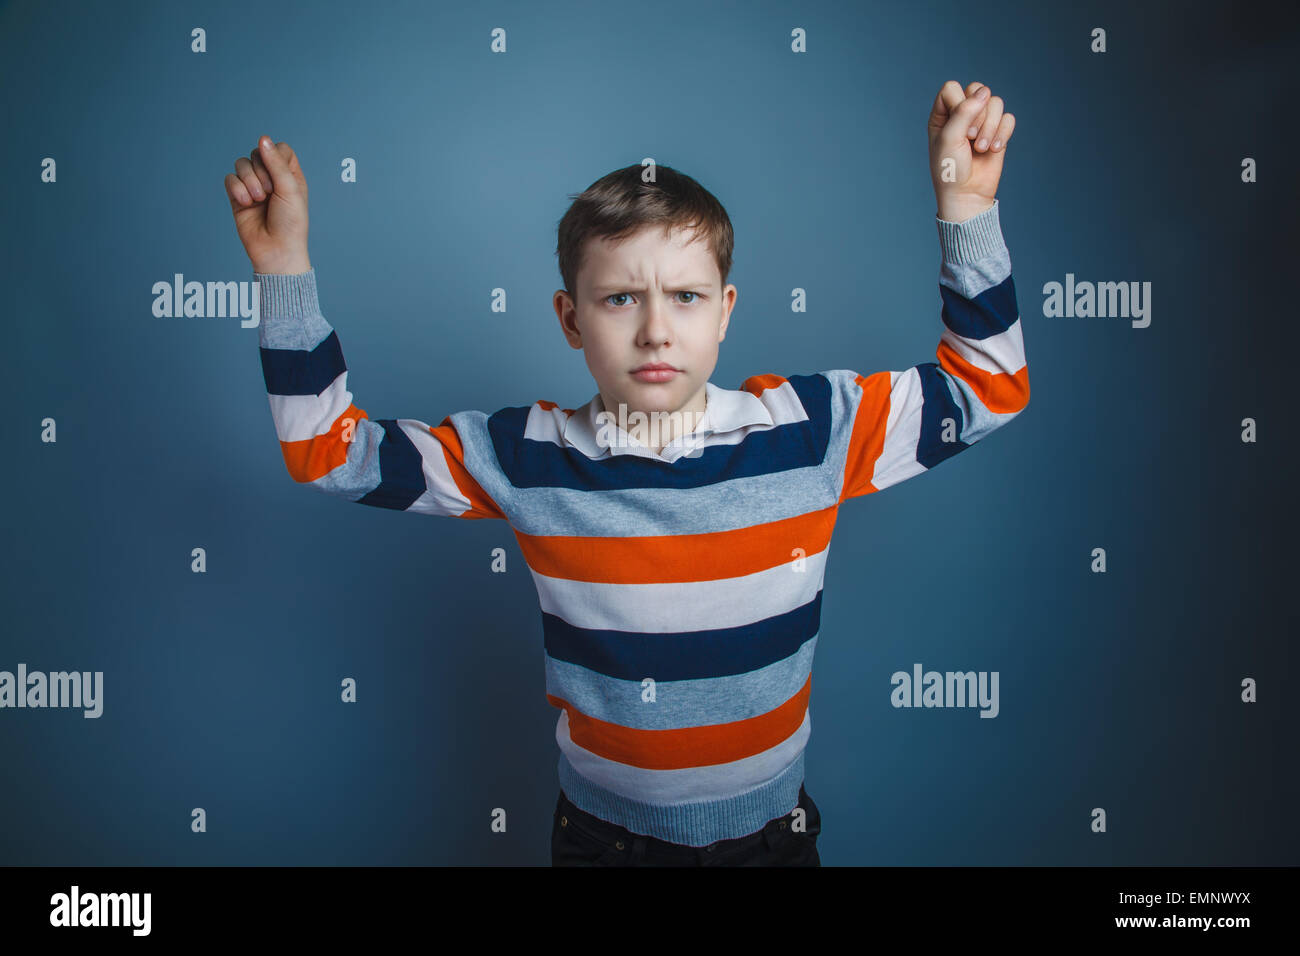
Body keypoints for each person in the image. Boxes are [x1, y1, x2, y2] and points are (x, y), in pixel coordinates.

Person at [224, 80, 1024, 866]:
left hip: (773, 839)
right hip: (604, 843)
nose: (654, 331)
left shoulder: (814, 432)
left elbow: (988, 389)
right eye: (618, 300)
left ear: (725, 311)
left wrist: (969, 205)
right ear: (570, 319)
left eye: (684, 296)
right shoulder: (526, 456)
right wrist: (282, 266)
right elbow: (325, 450)